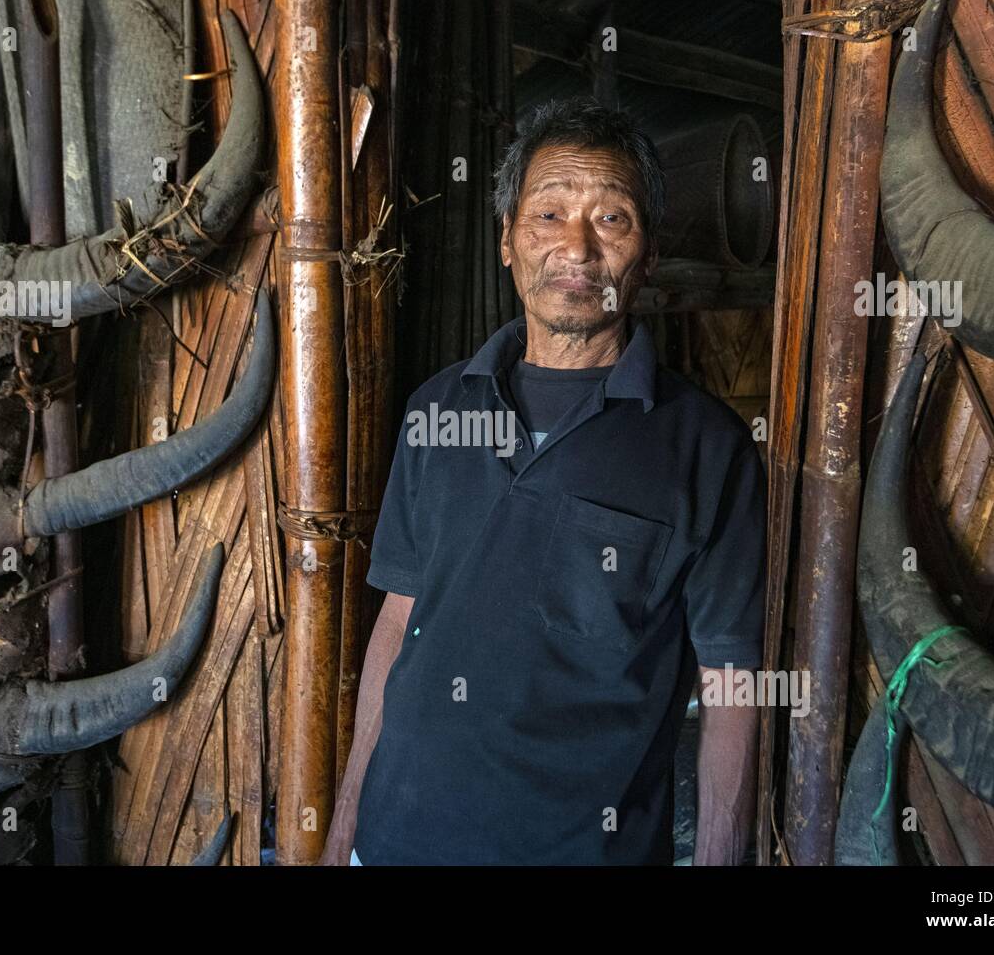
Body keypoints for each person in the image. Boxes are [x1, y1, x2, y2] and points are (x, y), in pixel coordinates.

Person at [320, 97, 767, 865]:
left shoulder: (707, 448)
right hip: (397, 840)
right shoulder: (436, 409)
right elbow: (399, 622)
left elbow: (732, 683)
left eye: (613, 219)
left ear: (649, 253)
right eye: (550, 214)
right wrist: (345, 834)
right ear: (507, 239)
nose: (578, 249)